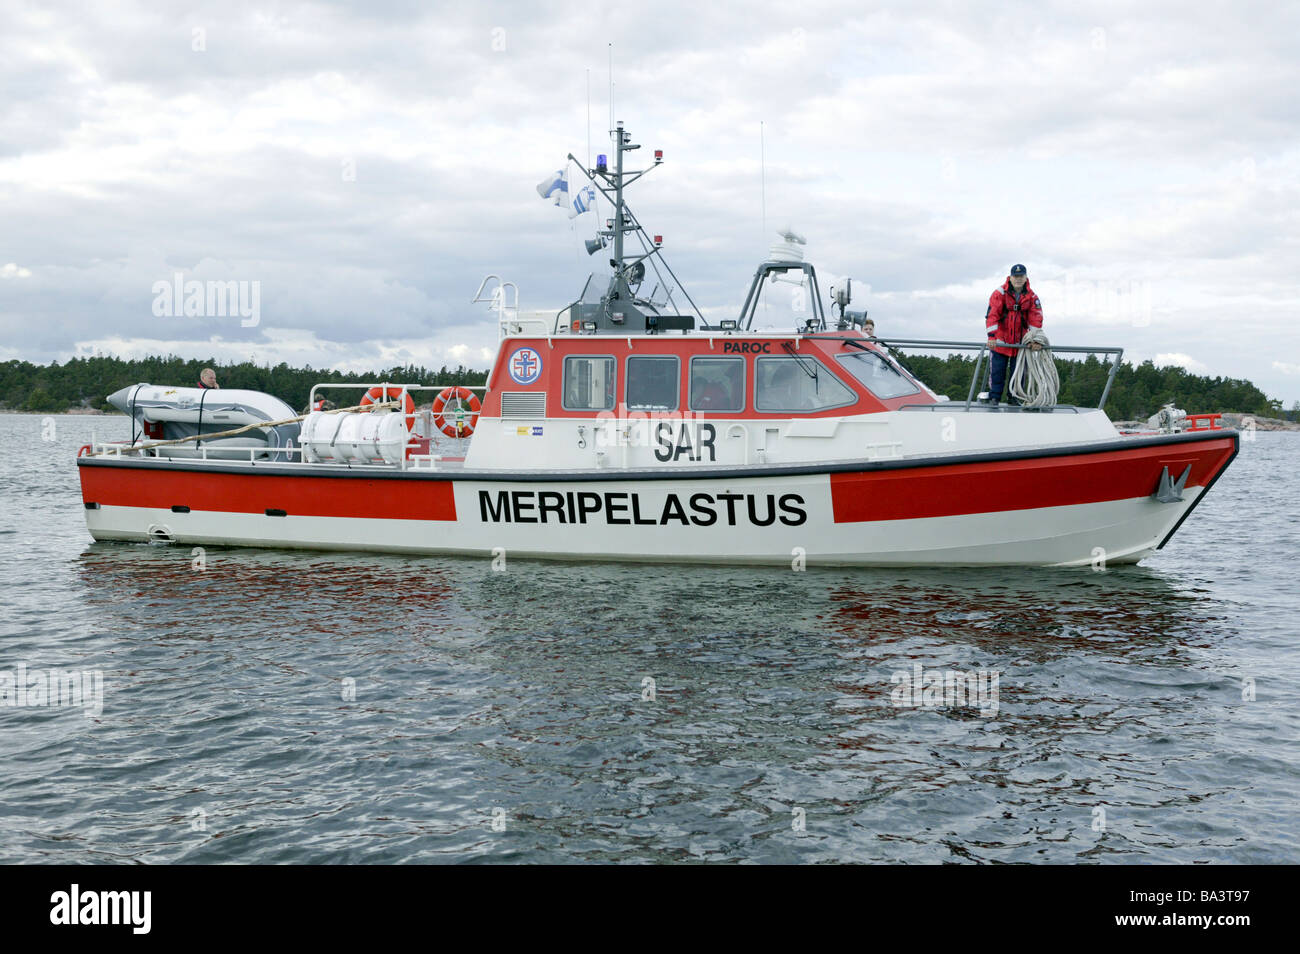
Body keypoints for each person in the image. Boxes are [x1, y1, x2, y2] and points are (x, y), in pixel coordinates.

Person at [984, 264, 1043, 404]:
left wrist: (1035, 340)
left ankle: (1015, 397)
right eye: (1015, 276)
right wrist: (992, 337)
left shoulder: (1032, 296)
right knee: (997, 371)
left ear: (1025, 278)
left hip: (1020, 343)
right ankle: (995, 397)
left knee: (1019, 372)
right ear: (1010, 277)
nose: (1018, 279)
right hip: (1000, 341)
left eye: (1021, 276)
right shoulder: (999, 293)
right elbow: (992, 315)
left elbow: (1036, 318)